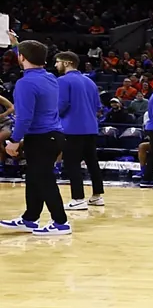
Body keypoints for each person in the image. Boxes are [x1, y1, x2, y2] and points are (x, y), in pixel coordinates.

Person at [0, 37, 71, 235]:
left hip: (40, 137)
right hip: (53, 136)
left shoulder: (25, 84)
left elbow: (24, 118)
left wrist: (14, 141)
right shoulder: (49, 77)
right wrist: (16, 45)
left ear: (22, 58)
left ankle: (61, 222)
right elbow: (30, 57)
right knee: (34, 177)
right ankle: (30, 218)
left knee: (44, 179)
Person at [55, 51, 105, 210]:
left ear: (67, 63)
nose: (56, 65)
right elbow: (99, 108)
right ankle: (97, 196)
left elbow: (61, 105)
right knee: (92, 162)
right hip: (90, 127)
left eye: (58, 62)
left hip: (72, 128)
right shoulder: (90, 82)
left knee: (72, 163)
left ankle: (78, 198)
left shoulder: (62, 81)